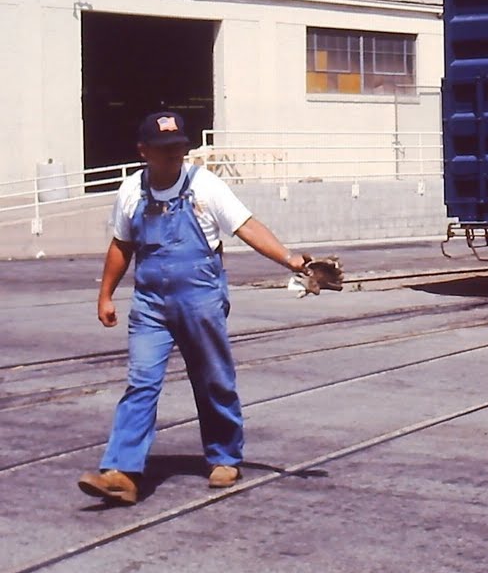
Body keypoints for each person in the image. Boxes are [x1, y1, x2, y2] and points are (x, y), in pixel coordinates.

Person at [78, 110, 313, 506]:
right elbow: (122, 245)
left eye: (179, 147)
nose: (175, 154)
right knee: (141, 383)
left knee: (213, 379)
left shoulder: (205, 186)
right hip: (150, 304)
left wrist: (290, 259)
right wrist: (105, 295)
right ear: (144, 151)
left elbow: (247, 226)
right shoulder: (131, 191)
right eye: (165, 148)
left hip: (200, 299)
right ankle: (121, 472)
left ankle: (224, 456)